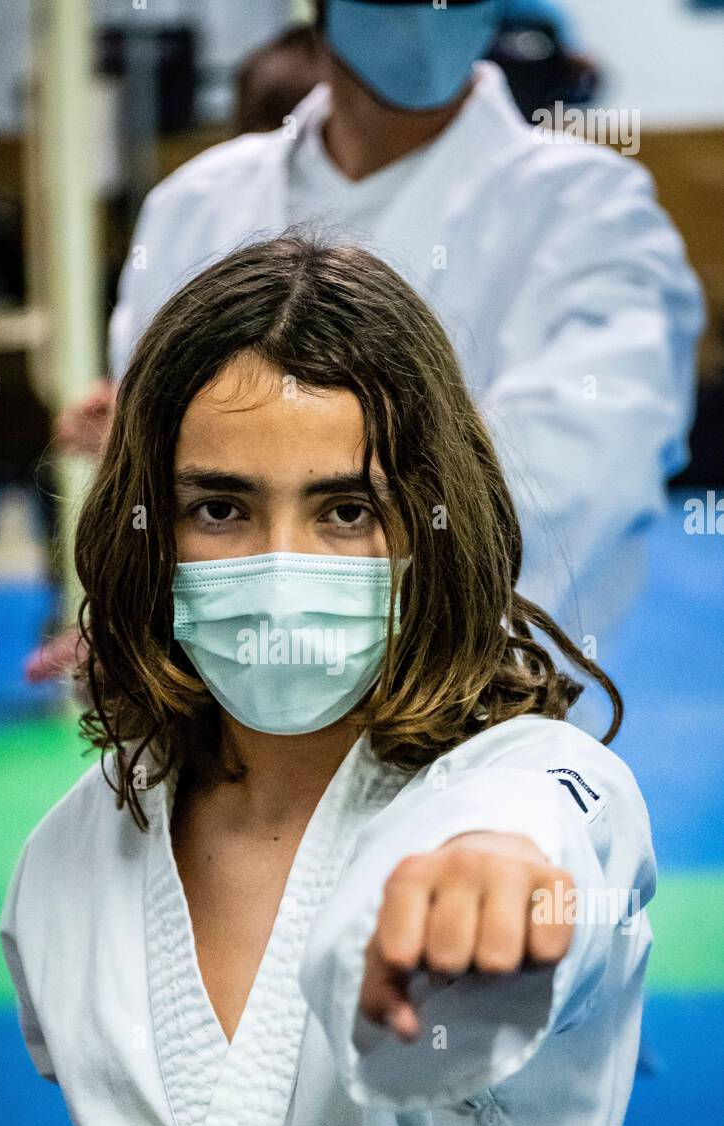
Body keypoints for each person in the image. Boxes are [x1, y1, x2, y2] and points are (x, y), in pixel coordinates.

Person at [0, 237, 654, 1126]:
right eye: (220, 508)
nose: (281, 565)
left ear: (429, 522)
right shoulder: (70, 851)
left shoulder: (539, 786)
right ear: (149, 525)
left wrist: (490, 876)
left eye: (345, 510)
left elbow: (537, 834)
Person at [37, 0, 702, 690]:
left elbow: (589, 463)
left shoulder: (592, 206)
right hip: (214, 705)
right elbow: (161, 485)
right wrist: (133, 599)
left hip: (473, 699)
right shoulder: (198, 202)